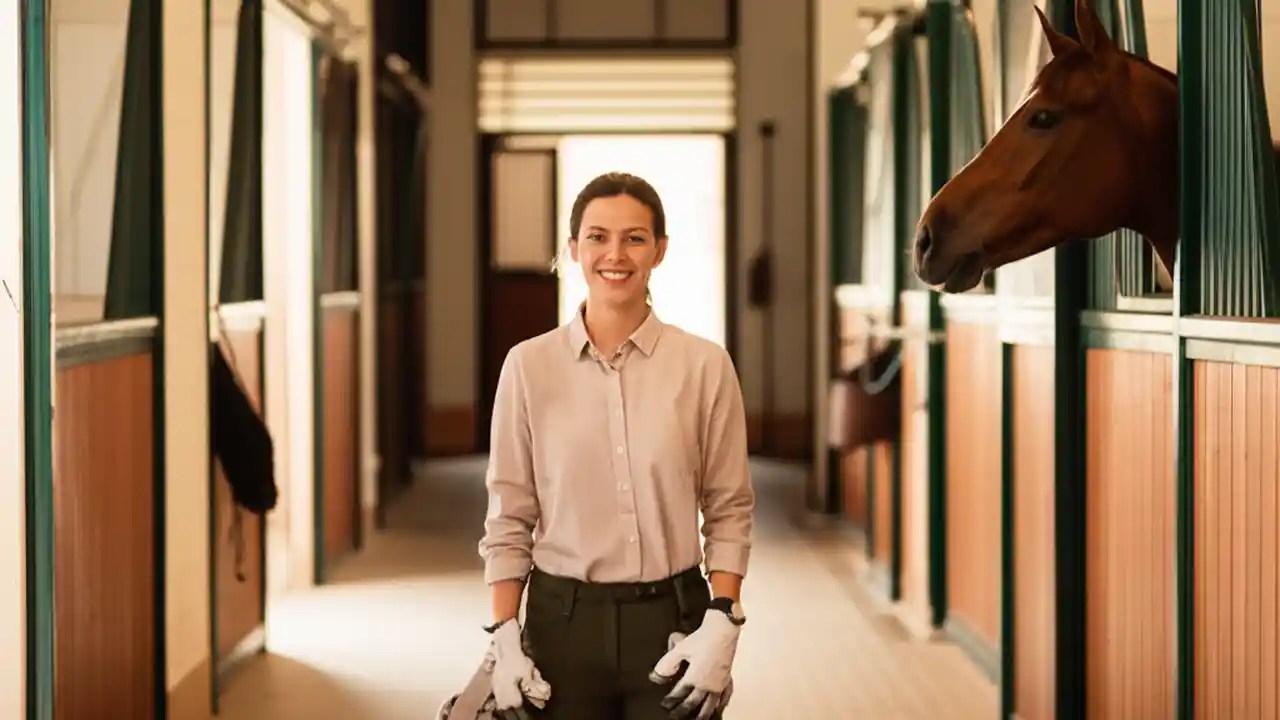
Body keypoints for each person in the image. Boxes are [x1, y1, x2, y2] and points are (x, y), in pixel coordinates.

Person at [473, 171, 756, 720]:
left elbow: (729, 507)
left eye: (635, 238)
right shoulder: (528, 367)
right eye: (598, 236)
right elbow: (509, 515)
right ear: (574, 248)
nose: (615, 254)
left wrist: (723, 619)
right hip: (563, 625)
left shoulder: (704, 366)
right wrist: (504, 636)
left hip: (676, 625)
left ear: (660, 251)